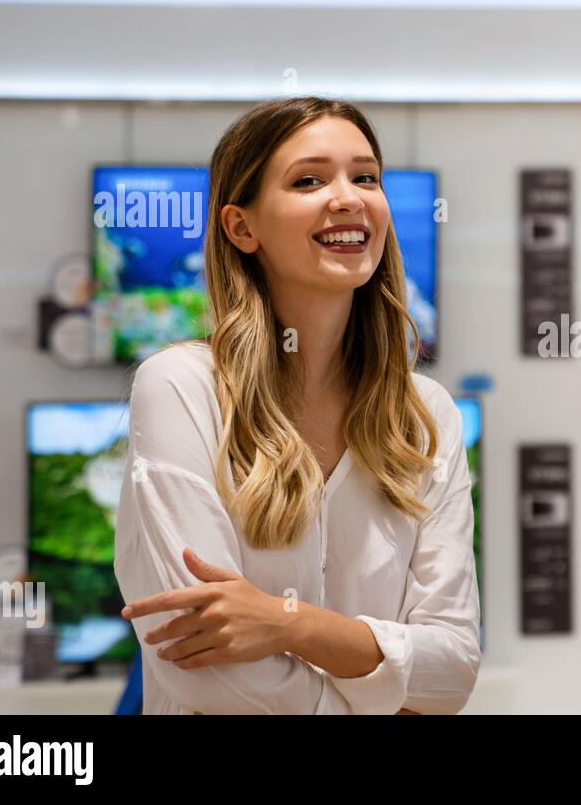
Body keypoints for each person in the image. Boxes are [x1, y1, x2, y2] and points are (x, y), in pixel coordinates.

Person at [114, 97, 480, 714]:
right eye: (309, 180)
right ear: (241, 227)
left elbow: (453, 669)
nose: (348, 198)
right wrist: (382, 682)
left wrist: (288, 624)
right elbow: (202, 669)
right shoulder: (179, 387)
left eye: (365, 177)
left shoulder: (428, 414)